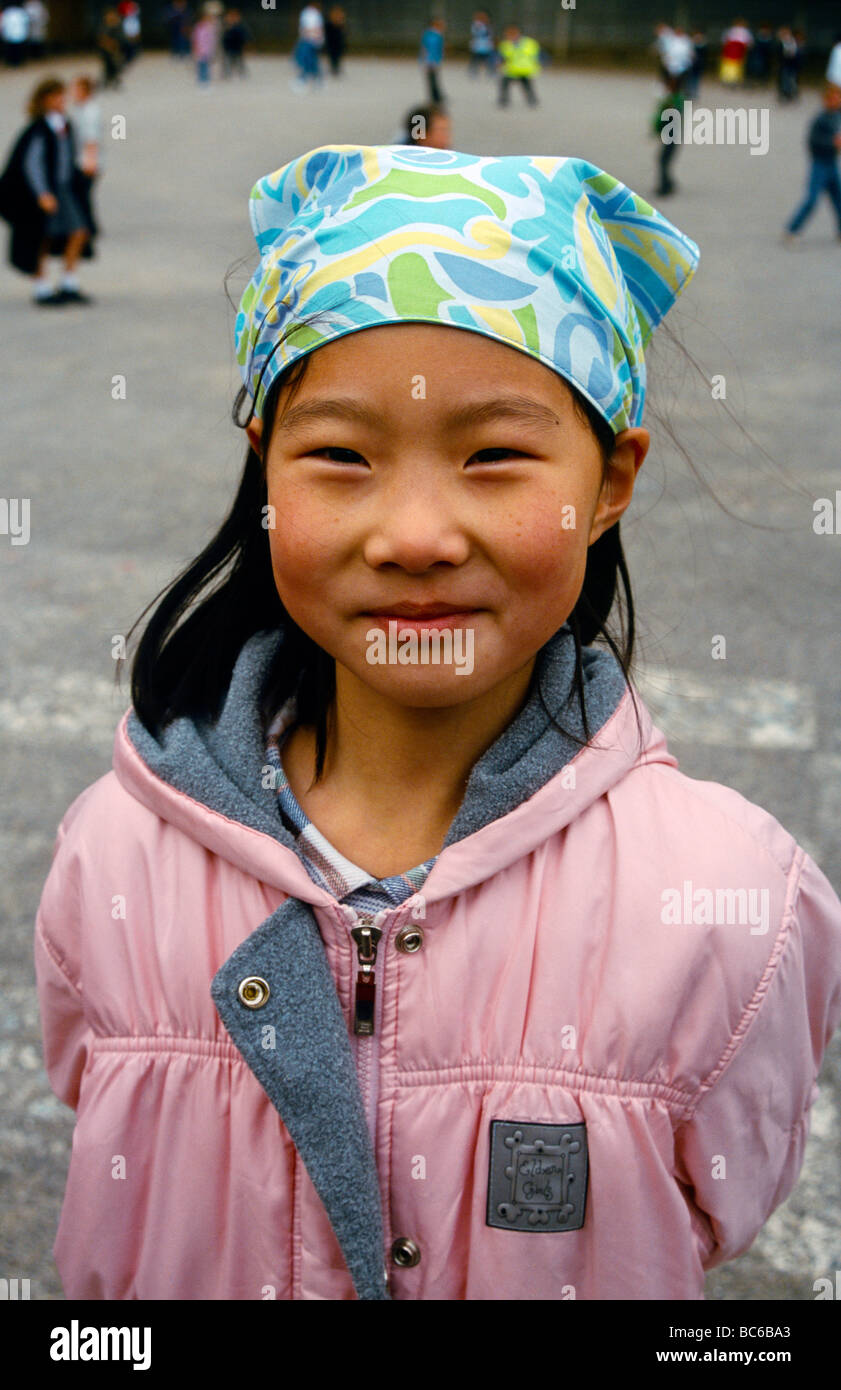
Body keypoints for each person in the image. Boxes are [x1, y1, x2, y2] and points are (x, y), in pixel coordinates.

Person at [34, 142, 841, 1301]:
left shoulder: (731, 904)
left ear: (611, 478)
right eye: (343, 456)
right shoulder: (113, 854)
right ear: (266, 471)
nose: (415, 533)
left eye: (496, 456)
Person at [0, 76, 91, 304]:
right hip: (45, 192)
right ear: (44, 99)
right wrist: (42, 193)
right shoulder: (38, 129)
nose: (61, 100)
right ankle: (41, 286)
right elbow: (32, 164)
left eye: (62, 95)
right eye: (55, 96)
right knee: (42, 237)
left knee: (79, 230)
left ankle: (69, 281)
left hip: (65, 188)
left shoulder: (64, 124)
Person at [784, 82, 841, 241]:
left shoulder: (837, 116)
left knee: (839, 198)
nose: (836, 102)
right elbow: (812, 142)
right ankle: (791, 230)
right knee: (812, 199)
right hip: (820, 163)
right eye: (833, 99)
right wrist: (832, 143)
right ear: (826, 100)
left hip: (832, 163)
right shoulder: (820, 119)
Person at [67, 74, 102, 256]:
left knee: (82, 196)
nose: (73, 92)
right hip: (80, 159)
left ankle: (87, 229)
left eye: (76, 89)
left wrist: (91, 161)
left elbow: (91, 139)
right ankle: (89, 227)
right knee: (84, 197)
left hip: (85, 161)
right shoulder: (79, 109)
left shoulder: (90, 112)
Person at [652, 72, 684, 197]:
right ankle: (669, 182)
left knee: (663, 160)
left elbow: (666, 117)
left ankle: (665, 186)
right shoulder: (674, 98)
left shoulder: (674, 100)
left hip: (671, 136)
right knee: (664, 160)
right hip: (670, 135)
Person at [497, 23, 540, 107]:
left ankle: (532, 100)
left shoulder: (529, 43)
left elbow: (536, 56)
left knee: (525, 85)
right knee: (508, 84)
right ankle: (504, 100)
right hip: (513, 69)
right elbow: (503, 57)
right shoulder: (506, 44)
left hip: (523, 69)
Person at [192, 1, 221, 84]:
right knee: (202, 65)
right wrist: (196, 48)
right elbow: (195, 39)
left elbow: (215, 36)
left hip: (209, 50)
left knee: (207, 65)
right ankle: (202, 79)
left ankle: (206, 79)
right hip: (201, 49)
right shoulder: (199, 27)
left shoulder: (212, 27)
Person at [418, 16, 445, 104]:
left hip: (433, 59)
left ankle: (436, 95)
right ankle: (435, 96)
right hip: (430, 60)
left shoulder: (436, 34)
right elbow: (425, 48)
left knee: (433, 78)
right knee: (432, 79)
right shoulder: (431, 35)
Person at [96, 7, 124, 88]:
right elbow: (101, 38)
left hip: (115, 50)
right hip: (106, 50)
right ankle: (108, 80)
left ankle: (113, 79)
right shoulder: (104, 26)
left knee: (115, 66)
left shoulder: (117, 26)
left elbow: (120, 39)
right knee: (108, 66)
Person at [719, 17, 752, 85]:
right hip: (731, 51)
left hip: (738, 51)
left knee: (736, 65)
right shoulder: (731, 30)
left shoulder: (744, 31)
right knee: (729, 65)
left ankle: (733, 79)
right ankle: (729, 79)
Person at [221, 7, 250, 78]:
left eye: (234, 17)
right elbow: (222, 38)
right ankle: (227, 75)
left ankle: (242, 75)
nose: (232, 18)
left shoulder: (241, 27)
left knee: (239, 63)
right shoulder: (225, 26)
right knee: (227, 62)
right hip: (228, 49)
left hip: (238, 49)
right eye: (230, 16)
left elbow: (245, 37)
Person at [777, 25, 802, 102]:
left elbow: (795, 54)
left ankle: (791, 93)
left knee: (792, 80)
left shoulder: (793, 42)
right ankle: (785, 93)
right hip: (785, 64)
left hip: (792, 65)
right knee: (785, 79)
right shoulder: (782, 43)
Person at [468, 10, 495, 77]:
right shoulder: (476, 25)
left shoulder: (488, 25)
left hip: (487, 46)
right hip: (477, 46)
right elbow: (478, 33)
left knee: (489, 61)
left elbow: (490, 36)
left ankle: (491, 73)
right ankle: (473, 73)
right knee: (475, 60)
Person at [323, 6, 346, 77]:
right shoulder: (329, 23)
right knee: (333, 57)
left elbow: (343, 34)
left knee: (336, 57)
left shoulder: (340, 23)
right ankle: (334, 69)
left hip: (338, 43)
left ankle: (335, 69)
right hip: (332, 43)